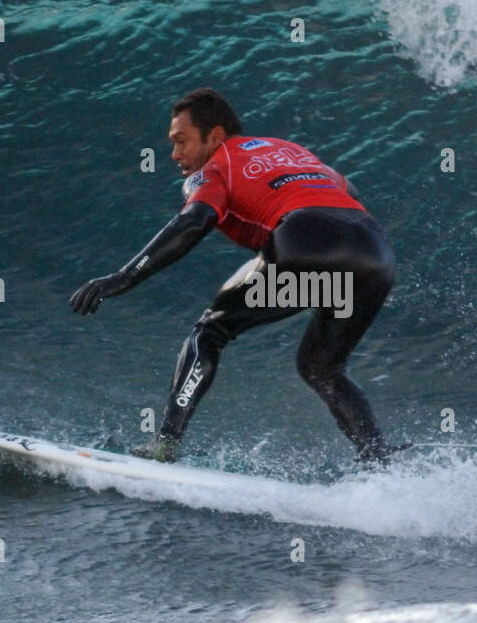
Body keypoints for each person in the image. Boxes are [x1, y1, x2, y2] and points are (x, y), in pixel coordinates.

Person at [69, 87, 401, 464]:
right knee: (321, 366)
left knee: (210, 330)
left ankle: (164, 445)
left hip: (306, 240)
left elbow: (193, 222)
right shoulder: (289, 150)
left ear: (215, 136)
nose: (176, 154)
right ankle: (378, 458)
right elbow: (346, 188)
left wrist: (123, 278)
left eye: (182, 141)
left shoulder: (213, 169)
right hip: (375, 254)